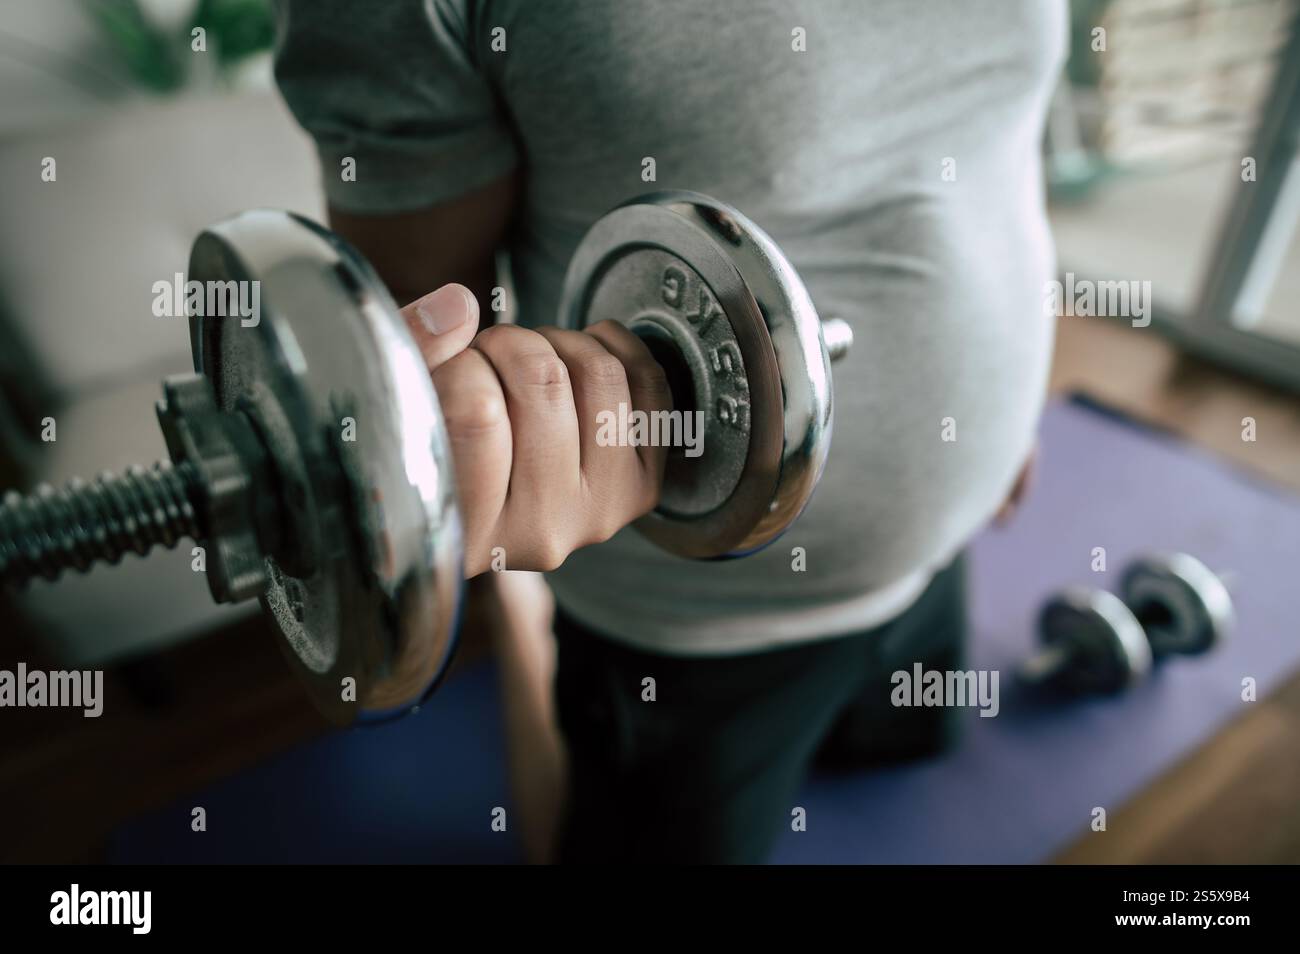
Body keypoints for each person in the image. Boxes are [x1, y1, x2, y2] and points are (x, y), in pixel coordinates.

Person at [273, 0, 1061, 863]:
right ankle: (529, 653)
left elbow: (997, 147)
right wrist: (483, 509)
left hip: (948, 548)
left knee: (900, 756)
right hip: (692, 629)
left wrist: (1004, 400)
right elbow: (424, 372)